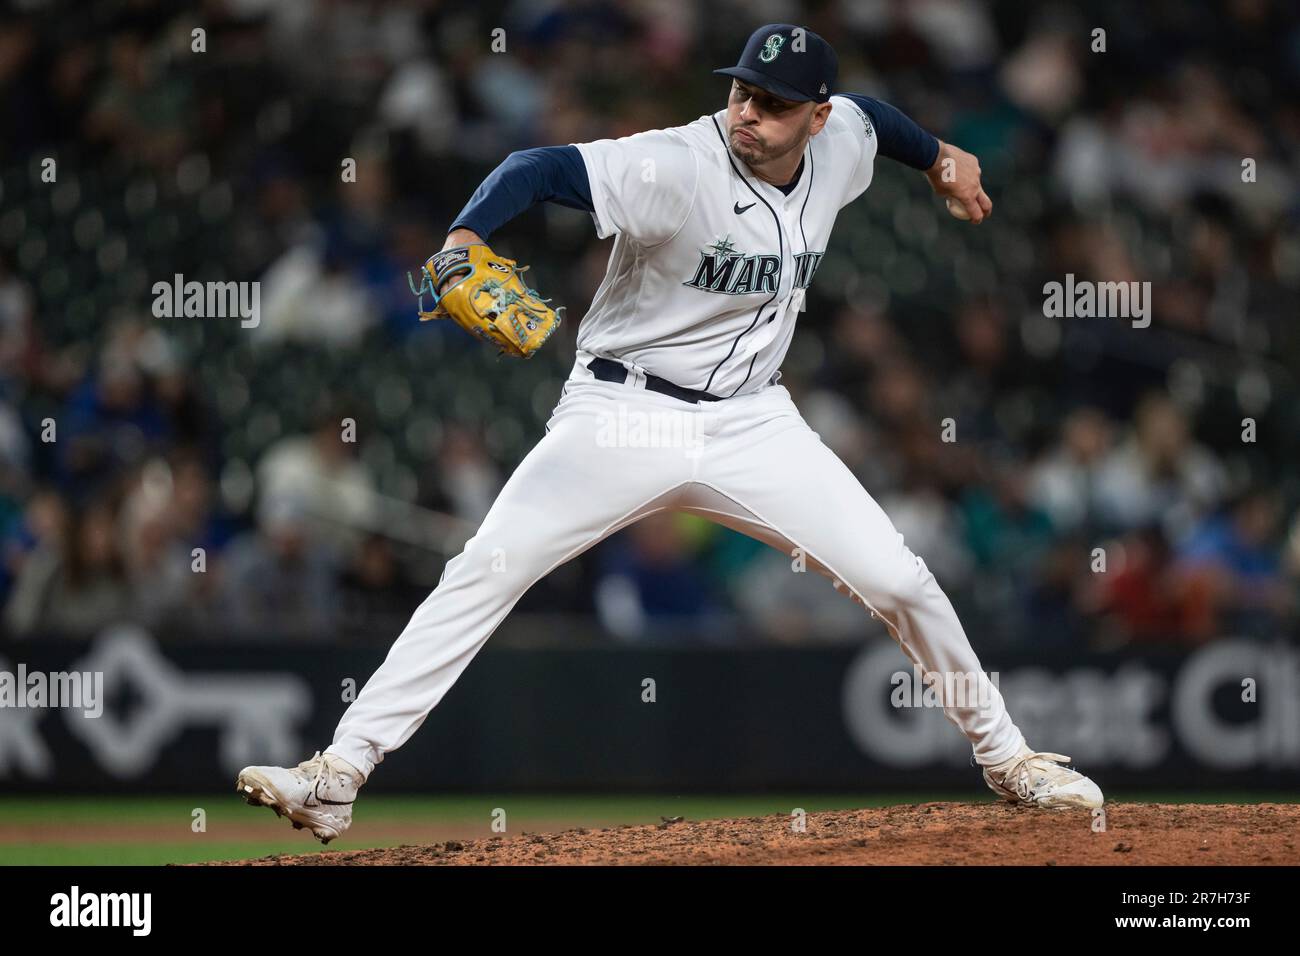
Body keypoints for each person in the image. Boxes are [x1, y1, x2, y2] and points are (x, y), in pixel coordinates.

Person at [237, 24, 1103, 844]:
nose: (747, 113)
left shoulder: (845, 139)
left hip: (753, 419)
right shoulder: (672, 165)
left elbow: (879, 121)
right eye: (740, 91)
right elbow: (534, 166)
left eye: (771, 102)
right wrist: (467, 234)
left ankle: (1009, 759)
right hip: (623, 412)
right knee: (486, 569)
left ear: (816, 115)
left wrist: (942, 157)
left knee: (900, 580)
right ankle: (338, 775)